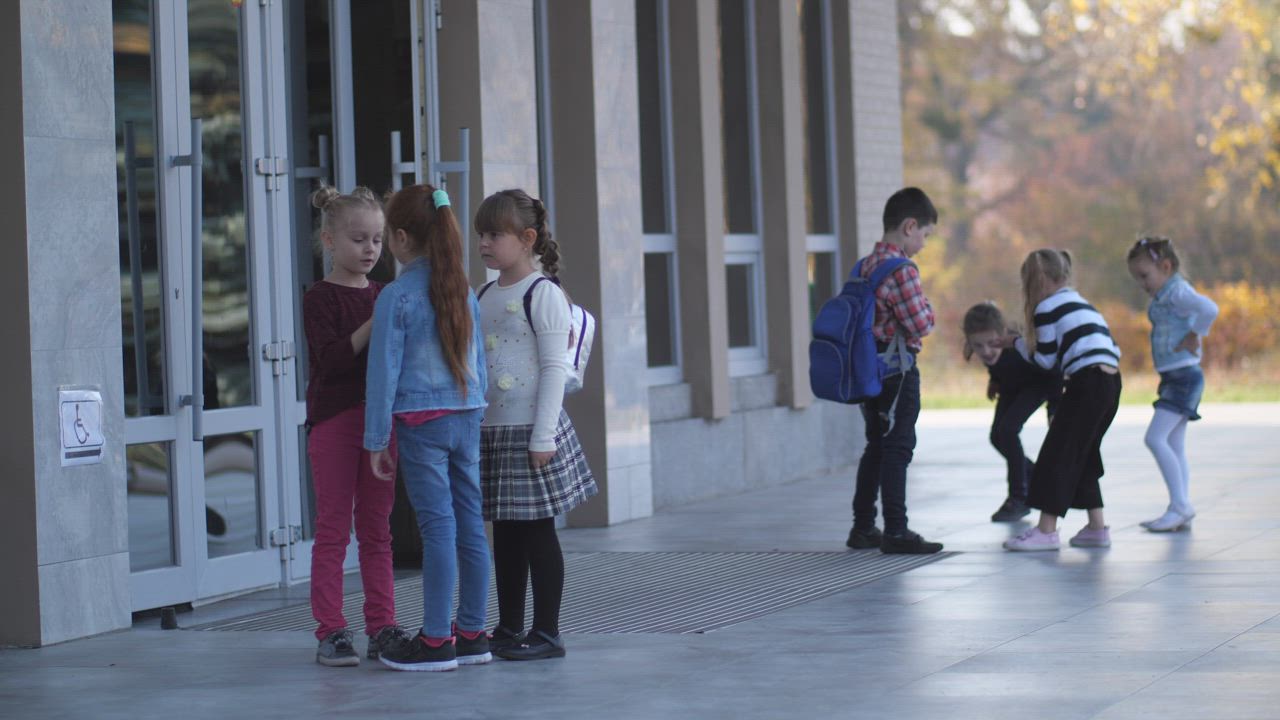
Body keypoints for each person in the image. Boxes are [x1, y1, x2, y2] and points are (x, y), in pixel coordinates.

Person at [364, 184, 490, 672]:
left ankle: (437, 640)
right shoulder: (461, 288)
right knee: (470, 525)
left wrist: (376, 439)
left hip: (421, 424)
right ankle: (473, 632)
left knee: (438, 528)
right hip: (465, 416)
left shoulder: (396, 297)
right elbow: (478, 360)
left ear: (399, 237)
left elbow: (383, 375)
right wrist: (474, 411)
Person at [474, 189, 598, 660]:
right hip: (494, 432)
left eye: (494, 235)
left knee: (538, 532)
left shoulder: (542, 294)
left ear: (526, 239)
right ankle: (508, 627)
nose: (484, 243)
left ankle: (547, 632)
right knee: (505, 533)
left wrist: (543, 435)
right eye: (481, 234)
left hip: (531, 431)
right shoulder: (483, 294)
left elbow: (553, 369)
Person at [302, 185, 409, 667]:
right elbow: (333, 360)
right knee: (332, 530)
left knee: (376, 529)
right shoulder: (320, 299)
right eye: (358, 240)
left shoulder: (386, 294)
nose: (370, 250)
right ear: (329, 240)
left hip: (380, 425)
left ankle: (382, 625)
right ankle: (331, 631)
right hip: (334, 423)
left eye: (378, 241)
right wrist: (376, 319)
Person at [845, 187, 944, 555]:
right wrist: (928, 309)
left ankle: (863, 526)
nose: (924, 243)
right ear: (909, 226)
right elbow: (921, 324)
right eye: (925, 235)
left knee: (876, 445)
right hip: (897, 371)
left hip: (867, 370)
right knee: (898, 447)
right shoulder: (901, 270)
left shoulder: (865, 265)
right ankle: (897, 530)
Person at [1003, 249, 1122, 551]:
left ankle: (1046, 531)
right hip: (1111, 382)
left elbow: (1045, 360)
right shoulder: (1083, 303)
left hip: (1087, 381)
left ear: (1038, 280)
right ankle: (1097, 527)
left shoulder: (1047, 308)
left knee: (1058, 451)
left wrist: (1017, 343)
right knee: (1083, 451)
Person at [1127, 236, 1218, 532]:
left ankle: (1180, 506)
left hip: (1184, 377)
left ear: (1165, 266)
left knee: (1155, 438)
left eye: (1145, 276)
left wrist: (1195, 334)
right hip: (1174, 377)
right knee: (1175, 444)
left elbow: (1209, 309)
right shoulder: (1166, 294)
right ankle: (1180, 505)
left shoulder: (1177, 291)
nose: (1143, 283)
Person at [962, 302, 1061, 522]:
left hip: (1037, 384)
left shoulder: (1019, 349)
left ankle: (1019, 497)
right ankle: (1036, 477)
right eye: (978, 346)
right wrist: (995, 380)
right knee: (996, 437)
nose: (986, 351)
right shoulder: (990, 352)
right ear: (969, 341)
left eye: (991, 343)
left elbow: (1053, 372)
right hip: (1011, 388)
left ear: (1004, 334)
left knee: (1007, 431)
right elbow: (999, 366)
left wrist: (1054, 407)